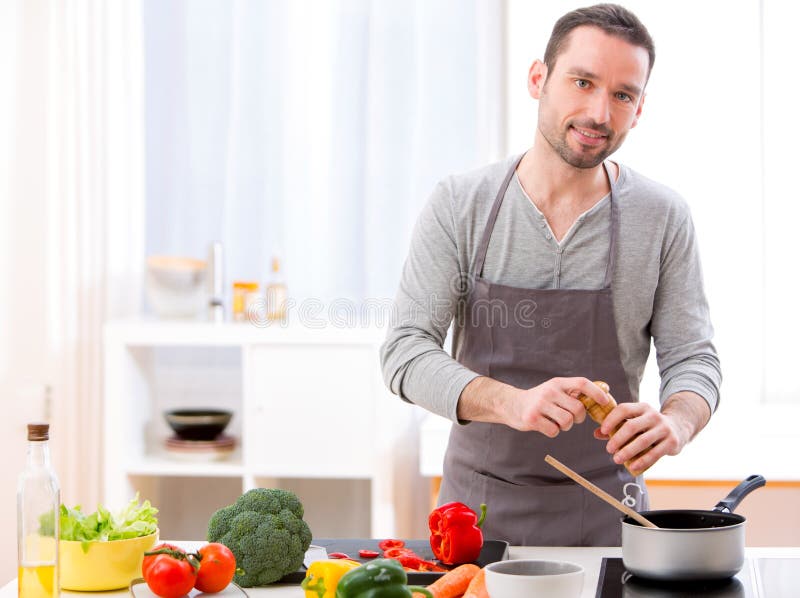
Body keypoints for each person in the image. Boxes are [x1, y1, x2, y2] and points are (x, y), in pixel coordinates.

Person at [380, 3, 721, 546]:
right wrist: (513, 403)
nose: (599, 114)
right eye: (582, 82)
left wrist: (676, 422)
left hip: (611, 517)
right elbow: (405, 352)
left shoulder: (662, 217)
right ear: (538, 79)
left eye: (622, 95)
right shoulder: (459, 205)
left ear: (640, 108)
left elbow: (694, 358)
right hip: (477, 521)